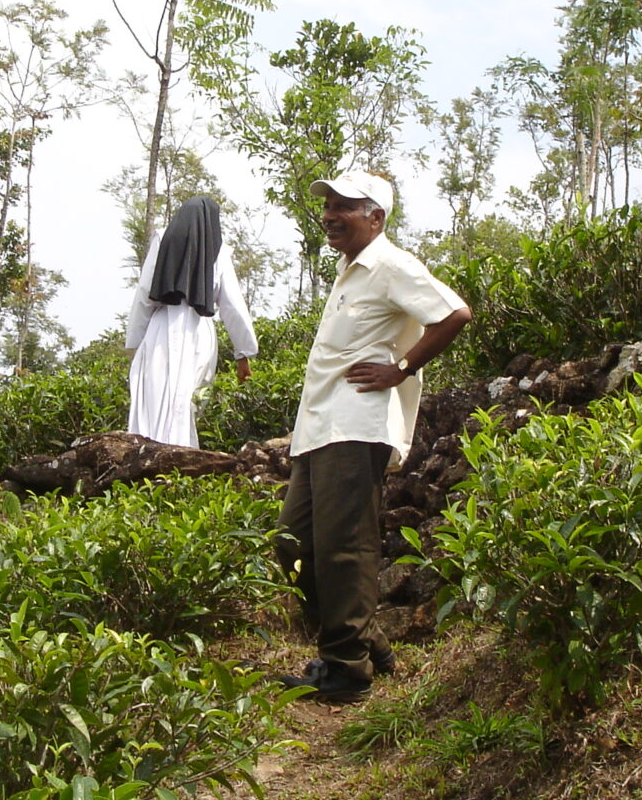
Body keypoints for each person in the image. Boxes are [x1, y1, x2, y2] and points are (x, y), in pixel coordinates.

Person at [276, 170, 471, 704]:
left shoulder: (390, 264)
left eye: (345, 207)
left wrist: (401, 368)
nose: (330, 215)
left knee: (345, 547)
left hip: (356, 424)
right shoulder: (349, 271)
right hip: (318, 425)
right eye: (328, 205)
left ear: (376, 218)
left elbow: (454, 313)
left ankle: (346, 669)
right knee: (291, 542)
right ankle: (367, 643)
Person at [125, 196, 258, 448]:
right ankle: (180, 456)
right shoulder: (217, 247)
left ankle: (149, 456)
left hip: (159, 329)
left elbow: (144, 293)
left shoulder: (163, 237)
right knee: (186, 400)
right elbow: (232, 304)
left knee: (153, 398)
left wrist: (136, 343)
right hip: (198, 330)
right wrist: (244, 354)